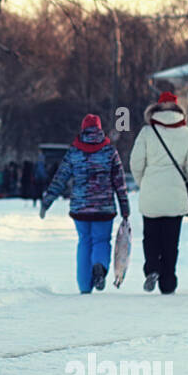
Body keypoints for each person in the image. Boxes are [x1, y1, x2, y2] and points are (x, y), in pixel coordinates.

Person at [40, 114, 131, 294]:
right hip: (104, 208)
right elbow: (119, 182)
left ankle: (84, 285)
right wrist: (124, 208)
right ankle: (99, 267)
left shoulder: (74, 153)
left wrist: (47, 201)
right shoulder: (109, 152)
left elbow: (60, 178)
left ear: (83, 130)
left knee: (84, 241)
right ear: (99, 130)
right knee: (101, 240)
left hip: (80, 207)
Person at [129, 91, 188, 295]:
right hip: (175, 192)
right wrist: (183, 178)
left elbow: (135, 162)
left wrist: (143, 182)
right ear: (179, 110)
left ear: (156, 109)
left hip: (151, 190)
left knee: (150, 236)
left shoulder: (146, 132)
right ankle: (168, 281)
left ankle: (152, 268)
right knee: (171, 240)